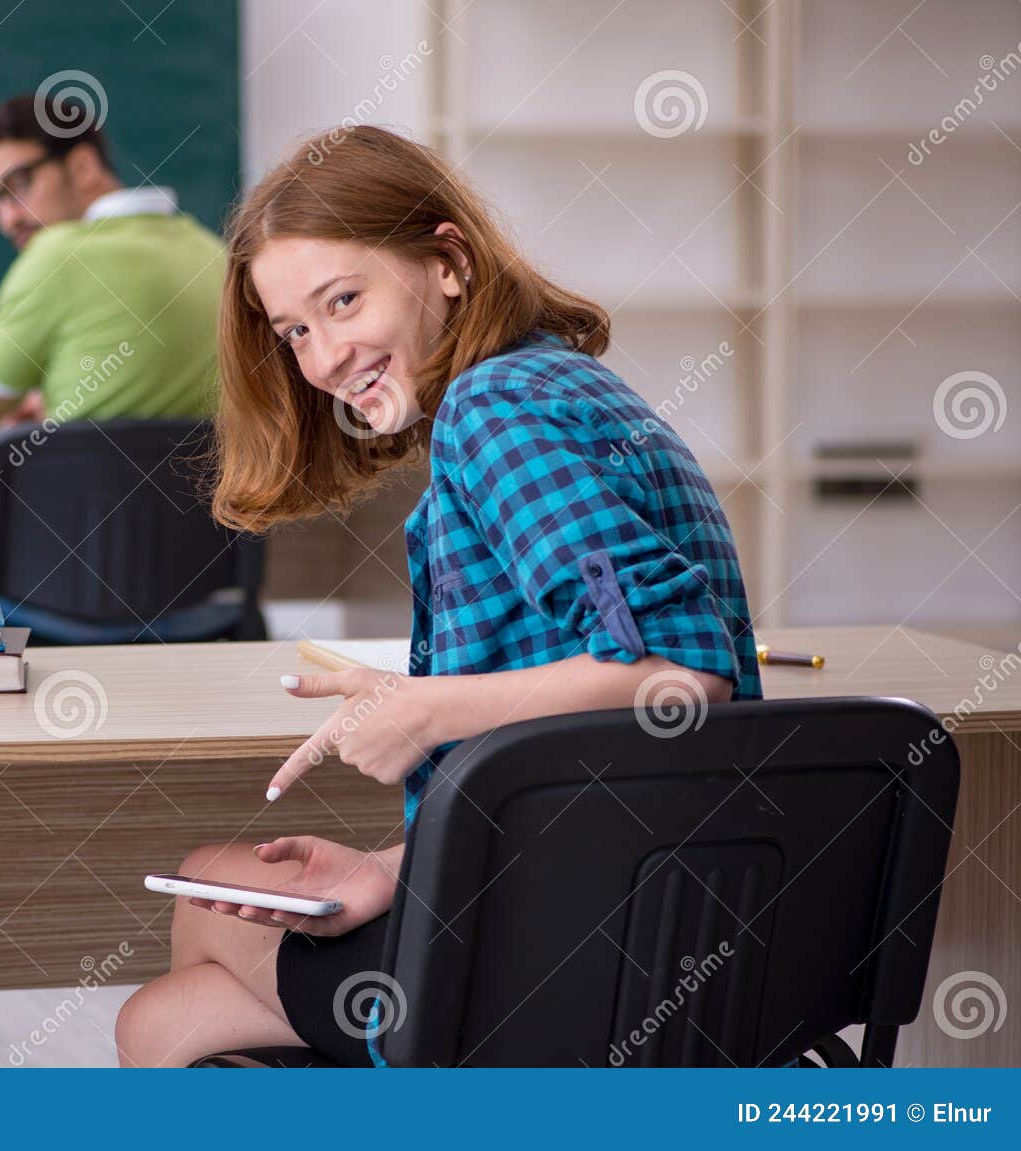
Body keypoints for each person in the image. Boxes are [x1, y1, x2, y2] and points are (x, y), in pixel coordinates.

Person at [114, 125, 763, 1068]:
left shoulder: (491, 412)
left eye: (344, 300)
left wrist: (424, 708)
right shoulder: (555, 385)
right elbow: (575, 764)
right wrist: (390, 868)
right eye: (295, 330)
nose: (325, 356)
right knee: (165, 1022)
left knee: (201, 894)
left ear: (447, 260)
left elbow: (683, 674)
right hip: (649, 915)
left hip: (573, 959)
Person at [0, 94, 223, 460]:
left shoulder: (55, 255)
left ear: (83, 166)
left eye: (18, 186)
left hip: (75, 517)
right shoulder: (214, 254)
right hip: (208, 517)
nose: (8, 220)